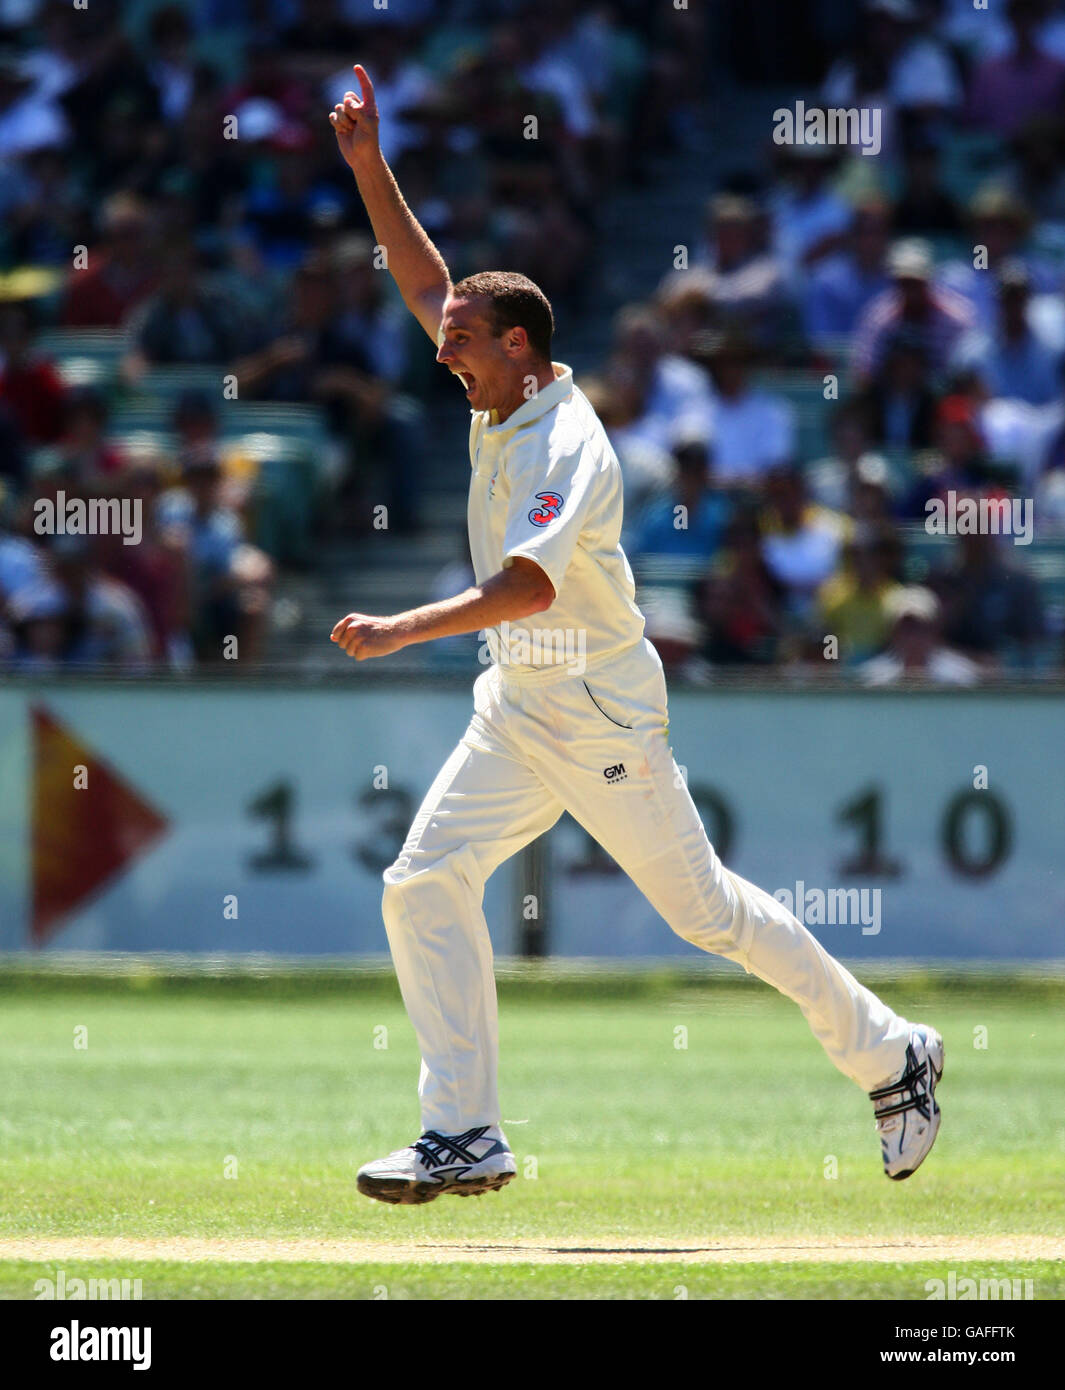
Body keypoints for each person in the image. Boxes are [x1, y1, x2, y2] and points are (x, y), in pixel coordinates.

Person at [328, 65, 944, 1206]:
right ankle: (463, 1130)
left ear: (518, 344)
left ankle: (892, 1052)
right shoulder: (498, 383)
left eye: (461, 337)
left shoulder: (569, 448)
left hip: (599, 707)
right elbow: (421, 276)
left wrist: (399, 627)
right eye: (445, 335)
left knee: (706, 912)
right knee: (420, 883)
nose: (440, 347)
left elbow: (523, 588)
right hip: (517, 706)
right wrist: (370, 165)